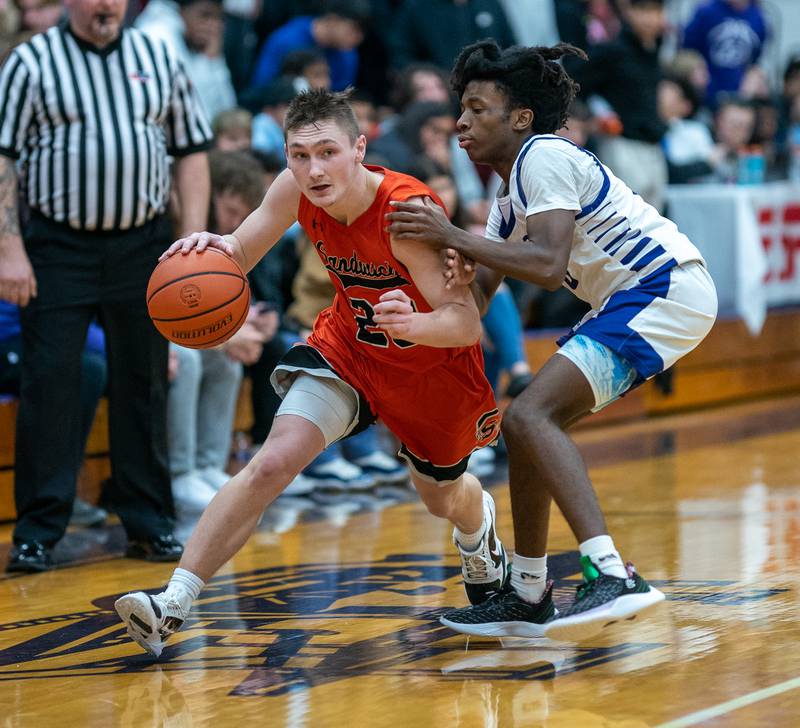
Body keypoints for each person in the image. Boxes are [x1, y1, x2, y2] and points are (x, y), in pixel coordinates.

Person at [113, 88, 507, 657]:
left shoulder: (406, 213)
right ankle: (172, 604)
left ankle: (478, 530)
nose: (314, 169)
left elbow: (465, 324)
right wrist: (211, 250)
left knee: (444, 499)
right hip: (350, 350)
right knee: (270, 463)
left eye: (327, 152)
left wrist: (413, 326)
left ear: (359, 148)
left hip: (430, 369)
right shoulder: (294, 189)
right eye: (300, 154)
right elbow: (239, 252)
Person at [387, 40, 717, 641]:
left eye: (477, 107)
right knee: (524, 425)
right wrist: (418, 304)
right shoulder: (508, 195)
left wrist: (451, 235)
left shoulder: (543, 155)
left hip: (662, 287)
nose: (461, 120)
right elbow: (479, 298)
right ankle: (529, 592)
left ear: (519, 117)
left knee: (533, 415)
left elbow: (544, 263)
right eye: (460, 107)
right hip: (638, 300)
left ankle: (611, 572)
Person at [0, 0, 213, 572]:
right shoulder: (31, 62)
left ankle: (149, 523)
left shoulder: (157, 55)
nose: (106, 5)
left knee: (144, 381)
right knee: (50, 384)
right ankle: (38, 530)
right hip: (55, 246)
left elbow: (191, 151)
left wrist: (191, 239)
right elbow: (3, 156)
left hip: (142, 244)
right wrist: (9, 245)